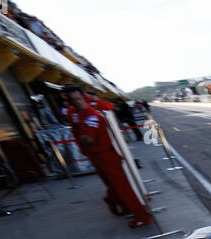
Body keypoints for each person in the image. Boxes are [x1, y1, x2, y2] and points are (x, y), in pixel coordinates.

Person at [63, 84, 152, 228]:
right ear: (68, 101)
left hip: (106, 154)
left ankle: (142, 216)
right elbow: (78, 130)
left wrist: (84, 136)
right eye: (72, 100)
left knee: (122, 186)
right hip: (93, 155)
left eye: (78, 98)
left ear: (84, 97)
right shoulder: (72, 112)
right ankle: (121, 205)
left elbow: (89, 137)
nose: (76, 102)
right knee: (110, 184)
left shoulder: (93, 114)